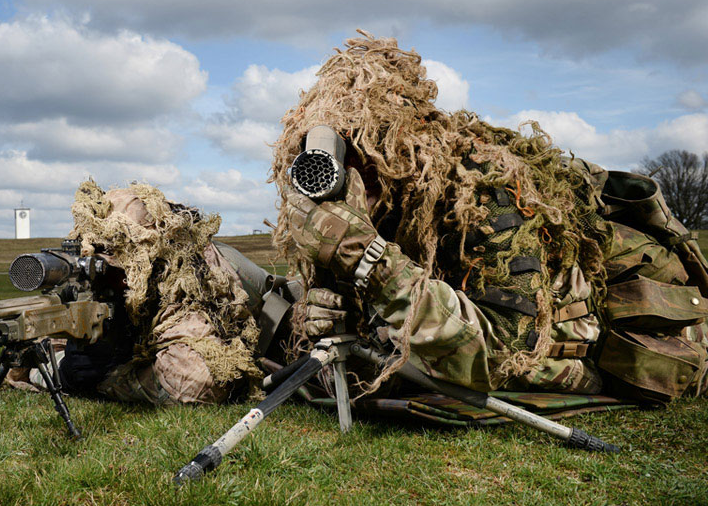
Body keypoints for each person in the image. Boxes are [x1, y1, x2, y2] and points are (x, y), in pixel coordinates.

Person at [275, 33, 708, 404]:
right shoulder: (390, 210)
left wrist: (369, 261)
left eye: (367, 152)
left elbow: (505, 352)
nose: (354, 176)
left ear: (404, 141)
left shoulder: (486, 192)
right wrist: (336, 316)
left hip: (633, 346)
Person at [7, 180, 301, 405]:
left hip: (271, 326)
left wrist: (101, 382)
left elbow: (198, 381)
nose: (102, 266)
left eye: (116, 257)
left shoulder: (187, 277)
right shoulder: (102, 279)